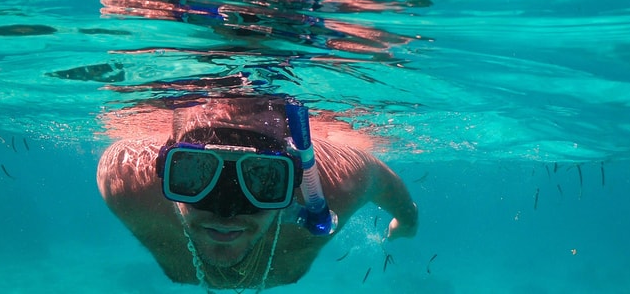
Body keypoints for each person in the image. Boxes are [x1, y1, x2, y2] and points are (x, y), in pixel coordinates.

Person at [96, 93, 418, 290]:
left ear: (294, 186)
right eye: (195, 174)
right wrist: (406, 224)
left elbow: (386, 182)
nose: (226, 212)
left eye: (263, 180)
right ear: (163, 170)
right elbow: (389, 189)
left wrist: (407, 222)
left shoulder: (335, 186)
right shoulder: (126, 182)